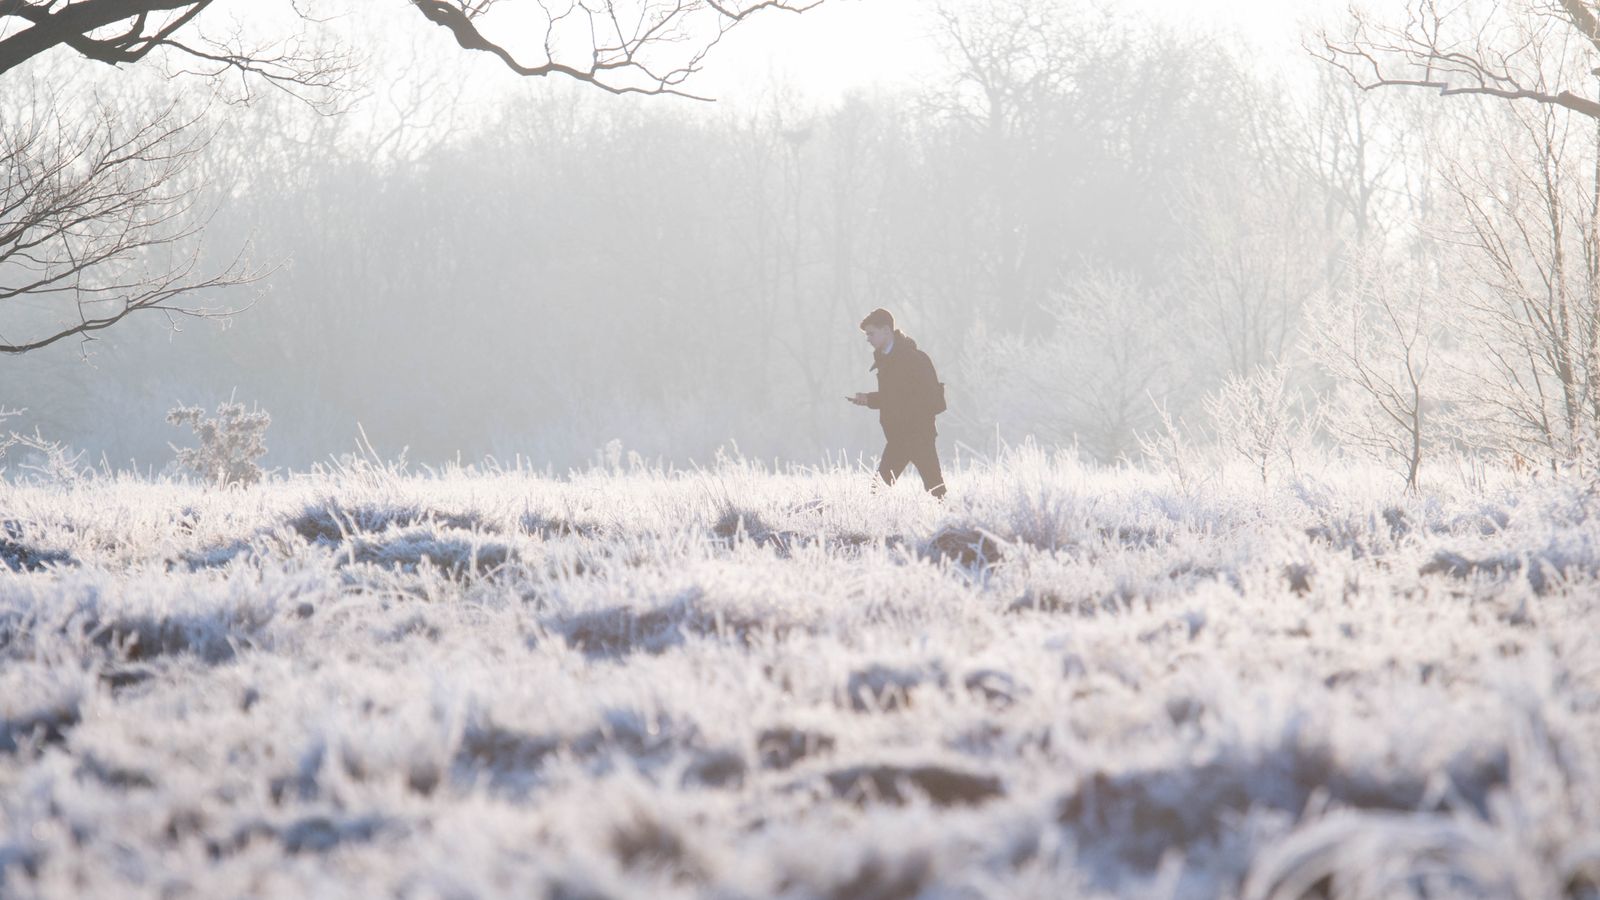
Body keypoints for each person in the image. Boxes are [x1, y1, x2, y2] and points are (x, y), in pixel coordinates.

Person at [848, 307, 947, 499]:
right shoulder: (886, 359)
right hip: (898, 438)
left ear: (886, 330)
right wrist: (869, 399)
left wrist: (873, 400)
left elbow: (924, 398)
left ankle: (956, 526)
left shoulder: (914, 358)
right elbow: (894, 397)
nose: (868, 339)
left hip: (919, 436)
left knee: (936, 489)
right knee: (878, 490)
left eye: (871, 333)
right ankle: (875, 527)